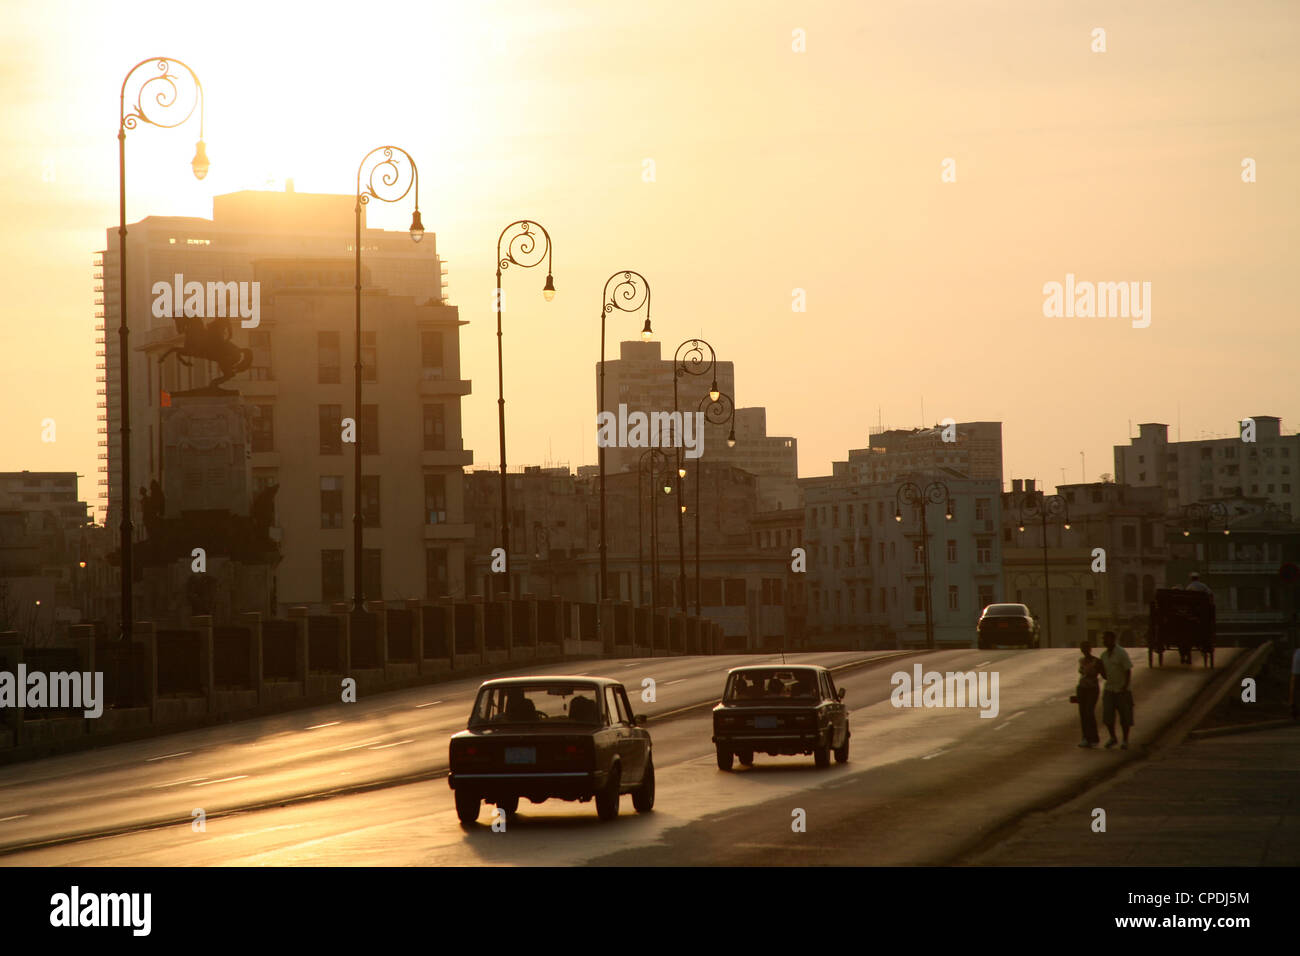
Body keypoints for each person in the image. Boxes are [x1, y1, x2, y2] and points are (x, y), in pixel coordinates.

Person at [1100, 630, 1134, 749]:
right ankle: (1113, 737)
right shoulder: (1103, 655)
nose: (1104, 641)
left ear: (1113, 640)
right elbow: (1104, 672)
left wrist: (1125, 686)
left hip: (1122, 690)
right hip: (1109, 688)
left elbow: (1128, 670)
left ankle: (1125, 740)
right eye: (1103, 639)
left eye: (1106, 639)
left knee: (1125, 716)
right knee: (1108, 716)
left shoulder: (1121, 653)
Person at [1075, 640, 1102, 748]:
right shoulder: (1081, 660)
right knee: (1083, 713)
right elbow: (1081, 673)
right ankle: (1086, 737)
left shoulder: (1097, 661)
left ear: (1090, 649)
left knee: (1089, 712)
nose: (1085, 650)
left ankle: (1093, 737)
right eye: (1083, 648)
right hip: (1082, 688)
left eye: (1086, 648)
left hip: (1092, 688)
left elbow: (1102, 673)